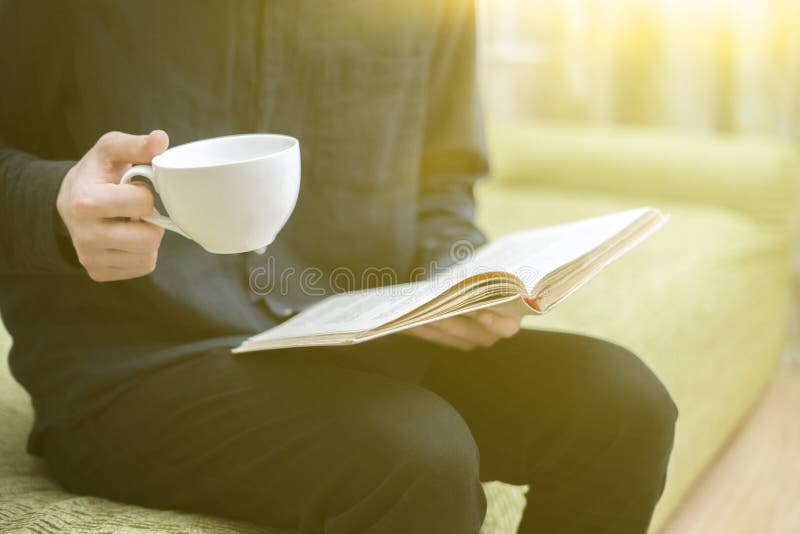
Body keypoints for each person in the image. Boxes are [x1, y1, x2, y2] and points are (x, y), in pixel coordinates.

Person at [0, 2, 677, 533]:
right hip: (135, 367)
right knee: (420, 457)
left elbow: (443, 178)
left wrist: (457, 277)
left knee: (625, 404)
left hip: (357, 336)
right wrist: (56, 205)